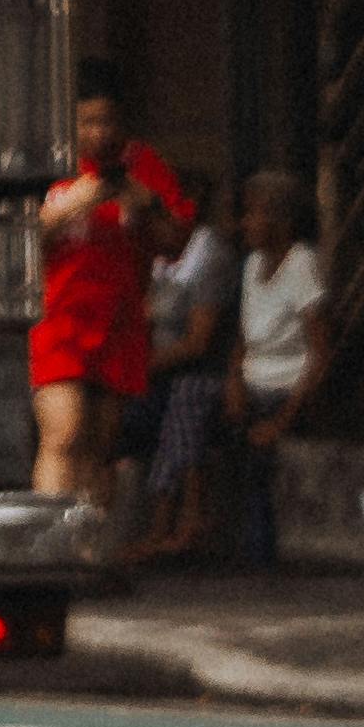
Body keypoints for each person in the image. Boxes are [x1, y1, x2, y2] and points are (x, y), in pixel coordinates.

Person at [32, 81, 195, 505]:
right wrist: (74, 204)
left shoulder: (143, 165)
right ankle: (54, 545)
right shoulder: (47, 161)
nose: (99, 133)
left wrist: (145, 202)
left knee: (101, 447)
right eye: (88, 122)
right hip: (58, 319)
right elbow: (14, 240)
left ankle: (89, 553)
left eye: (108, 121)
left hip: (119, 323)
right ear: (69, 122)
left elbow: (174, 241)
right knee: (64, 432)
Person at [130, 193, 237, 568]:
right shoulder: (163, 260)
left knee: (181, 407)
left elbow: (197, 343)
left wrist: (140, 369)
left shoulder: (209, 259)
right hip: (165, 378)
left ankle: (178, 523)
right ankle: (162, 526)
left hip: (203, 374)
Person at [228, 171, 324, 546]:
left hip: (284, 387)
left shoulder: (302, 265)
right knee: (190, 400)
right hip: (252, 381)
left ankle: (258, 545)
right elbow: (242, 334)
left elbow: (320, 352)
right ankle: (182, 525)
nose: (245, 223)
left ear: (281, 222)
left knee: (256, 446)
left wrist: (284, 421)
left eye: (254, 214)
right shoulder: (253, 264)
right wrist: (233, 379)